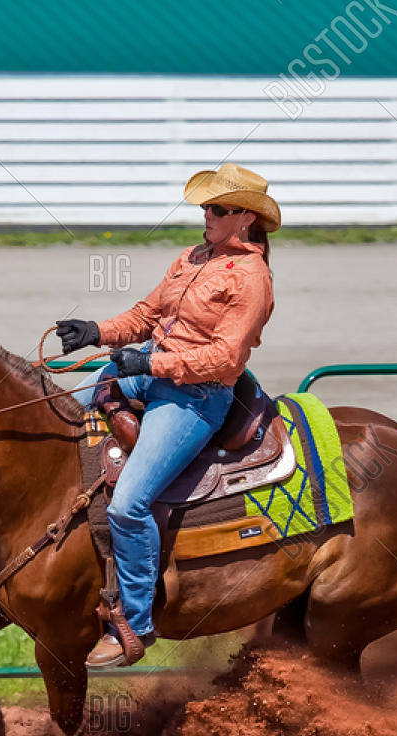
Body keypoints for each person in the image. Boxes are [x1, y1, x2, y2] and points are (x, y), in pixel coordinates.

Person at [55, 163, 278, 669]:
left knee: (129, 505)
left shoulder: (252, 278)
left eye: (218, 208)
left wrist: (151, 362)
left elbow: (224, 358)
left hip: (197, 396)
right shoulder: (192, 257)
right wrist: (97, 331)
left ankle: (133, 623)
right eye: (205, 206)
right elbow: (146, 316)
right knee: (70, 415)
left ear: (244, 217)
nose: (207, 214)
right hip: (155, 373)